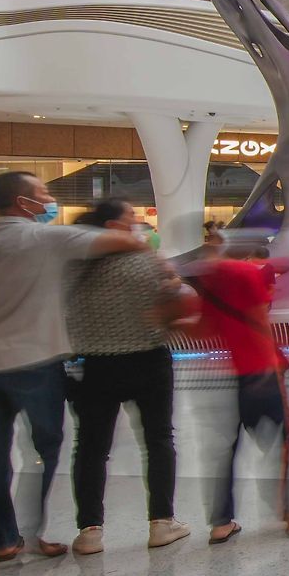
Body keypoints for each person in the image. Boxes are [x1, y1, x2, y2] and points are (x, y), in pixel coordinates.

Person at [0, 172, 144, 563]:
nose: (49, 200)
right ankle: (33, 535)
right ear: (23, 203)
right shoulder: (48, 239)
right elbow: (124, 240)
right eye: (44, 194)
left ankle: (1, 540)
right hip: (34, 363)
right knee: (43, 450)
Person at [66, 199, 196, 555]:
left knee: (91, 448)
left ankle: (89, 530)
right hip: (148, 361)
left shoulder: (75, 268)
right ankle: (161, 522)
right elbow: (179, 301)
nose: (136, 223)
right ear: (112, 226)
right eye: (129, 218)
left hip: (96, 365)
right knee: (158, 440)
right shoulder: (147, 262)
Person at [192, 241, 289, 541]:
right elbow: (260, 315)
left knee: (226, 449)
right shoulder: (243, 272)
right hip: (262, 370)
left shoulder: (209, 280)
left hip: (229, 374)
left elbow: (203, 330)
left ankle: (221, 523)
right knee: (286, 441)